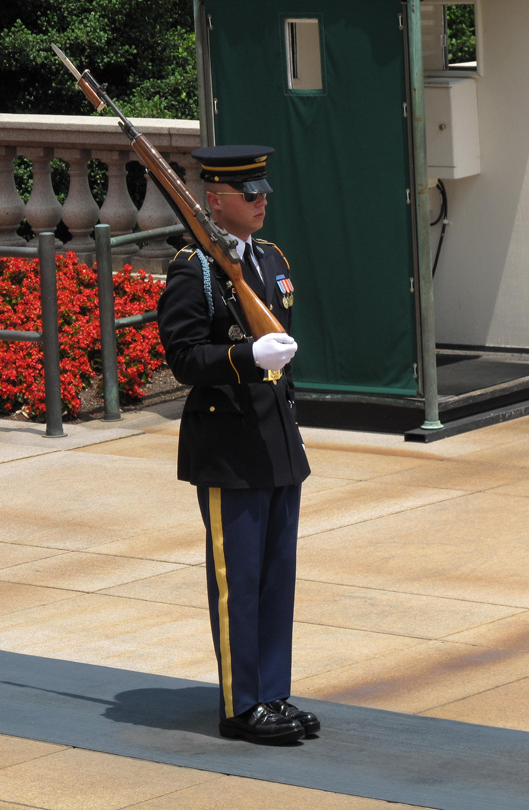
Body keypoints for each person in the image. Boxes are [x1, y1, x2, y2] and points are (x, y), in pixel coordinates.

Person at [156, 145, 317, 745]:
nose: (261, 202)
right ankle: (241, 705)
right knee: (238, 583)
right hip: (229, 446)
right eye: (249, 195)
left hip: (277, 442)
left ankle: (272, 693)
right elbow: (183, 357)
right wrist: (246, 356)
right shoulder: (194, 269)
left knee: (276, 579)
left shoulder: (271, 259)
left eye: (263, 192)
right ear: (216, 201)